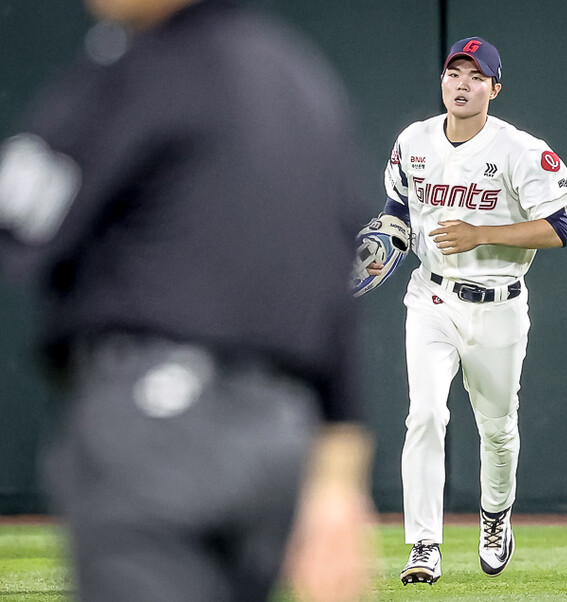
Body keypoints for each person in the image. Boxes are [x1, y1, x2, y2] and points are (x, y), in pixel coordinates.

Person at [0, 0, 375, 600]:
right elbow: (339, 283)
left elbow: (21, 213)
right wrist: (337, 475)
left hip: (156, 424)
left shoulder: (142, 66)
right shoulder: (302, 80)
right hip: (280, 432)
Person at [366, 36, 567, 584]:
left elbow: (558, 230)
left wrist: (480, 233)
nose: (461, 84)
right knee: (425, 415)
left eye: (475, 76)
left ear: (494, 88)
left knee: (498, 428)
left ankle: (494, 516)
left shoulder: (520, 149)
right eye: (453, 73)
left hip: (498, 306)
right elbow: (398, 206)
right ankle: (423, 545)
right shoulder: (413, 141)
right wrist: (388, 237)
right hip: (431, 298)